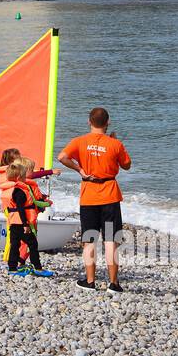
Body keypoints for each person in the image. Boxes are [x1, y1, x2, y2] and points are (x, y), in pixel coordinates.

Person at [57, 107, 132, 292]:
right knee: (111, 240)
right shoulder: (115, 144)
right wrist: (114, 143)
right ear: (108, 123)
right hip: (109, 196)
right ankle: (113, 283)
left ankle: (90, 281)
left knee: (89, 239)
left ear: (89, 122)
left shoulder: (80, 141)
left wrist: (80, 170)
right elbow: (127, 165)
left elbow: (62, 157)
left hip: (89, 196)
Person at [0, 160, 52, 276]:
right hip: (21, 223)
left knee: (15, 245)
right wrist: (25, 224)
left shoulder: (12, 190)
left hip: (13, 222)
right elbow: (21, 209)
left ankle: (12, 268)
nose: (26, 178)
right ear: (19, 177)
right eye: (24, 176)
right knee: (33, 244)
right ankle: (37, 268)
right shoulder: (20, 192)